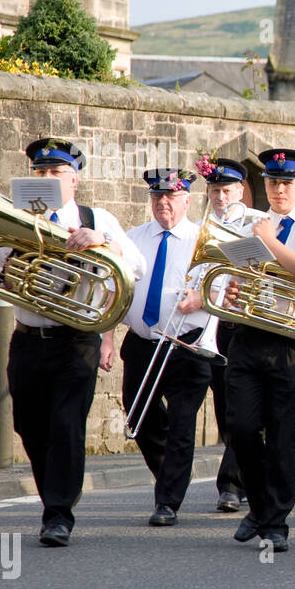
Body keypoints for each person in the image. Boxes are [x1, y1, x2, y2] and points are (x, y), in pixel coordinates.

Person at [0, 138, 145, 546]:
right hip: (28, 339)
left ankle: (58, 514)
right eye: (40, 172)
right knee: (28, 425)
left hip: (76, 339)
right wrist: (13, 262)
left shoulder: (96, 218)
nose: (46, 178)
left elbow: (137, 264)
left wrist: (100, 241)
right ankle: (55, 501)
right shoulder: (15, 217)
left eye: (56, 172)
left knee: (66, 425)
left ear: (73, 180)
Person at [226, 148, 295, 552]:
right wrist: (232, 289)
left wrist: (269, 241)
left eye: (287, 182)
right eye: (272, 182)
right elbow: (231, 274)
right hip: (249, 336)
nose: (280, 189)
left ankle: (275, 522)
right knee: (242, 427)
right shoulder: (247, 222)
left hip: (292, 342)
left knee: (284, 433)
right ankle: (260, 505)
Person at [121, 168, 213, 527]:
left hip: (186, 345)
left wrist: (201, 298)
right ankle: (169, 474)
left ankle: (168, 501)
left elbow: (225, 289)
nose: (163, 203)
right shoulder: (133, 238)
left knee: (181, 424)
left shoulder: (204, 239)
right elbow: (117, 289)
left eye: (171, 197)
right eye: (157, 197)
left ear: (186, 200)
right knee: (138, 417)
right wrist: (108, 339)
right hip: (143, 342)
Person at [196, 156, 250, 512]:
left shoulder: (256, 224)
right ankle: (244, 471)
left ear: (241, 190)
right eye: (214, 190)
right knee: (225, 406)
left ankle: (230, 483)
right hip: (212, 328)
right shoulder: (201, 226)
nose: (220, 196)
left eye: (226, 189)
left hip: (245, 327)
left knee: (242, 408)